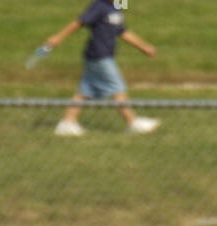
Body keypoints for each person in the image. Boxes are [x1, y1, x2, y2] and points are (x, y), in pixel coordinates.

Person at [42, 2, 160, 136]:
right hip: (99, 55)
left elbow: (121, 31)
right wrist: (57, 37)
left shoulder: (116, 7)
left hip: (102, 55)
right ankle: (132, 122)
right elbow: (79, 22)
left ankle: (68, 122)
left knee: (85, 90)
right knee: (117, 87)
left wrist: (143, 46)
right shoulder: (99, 6)